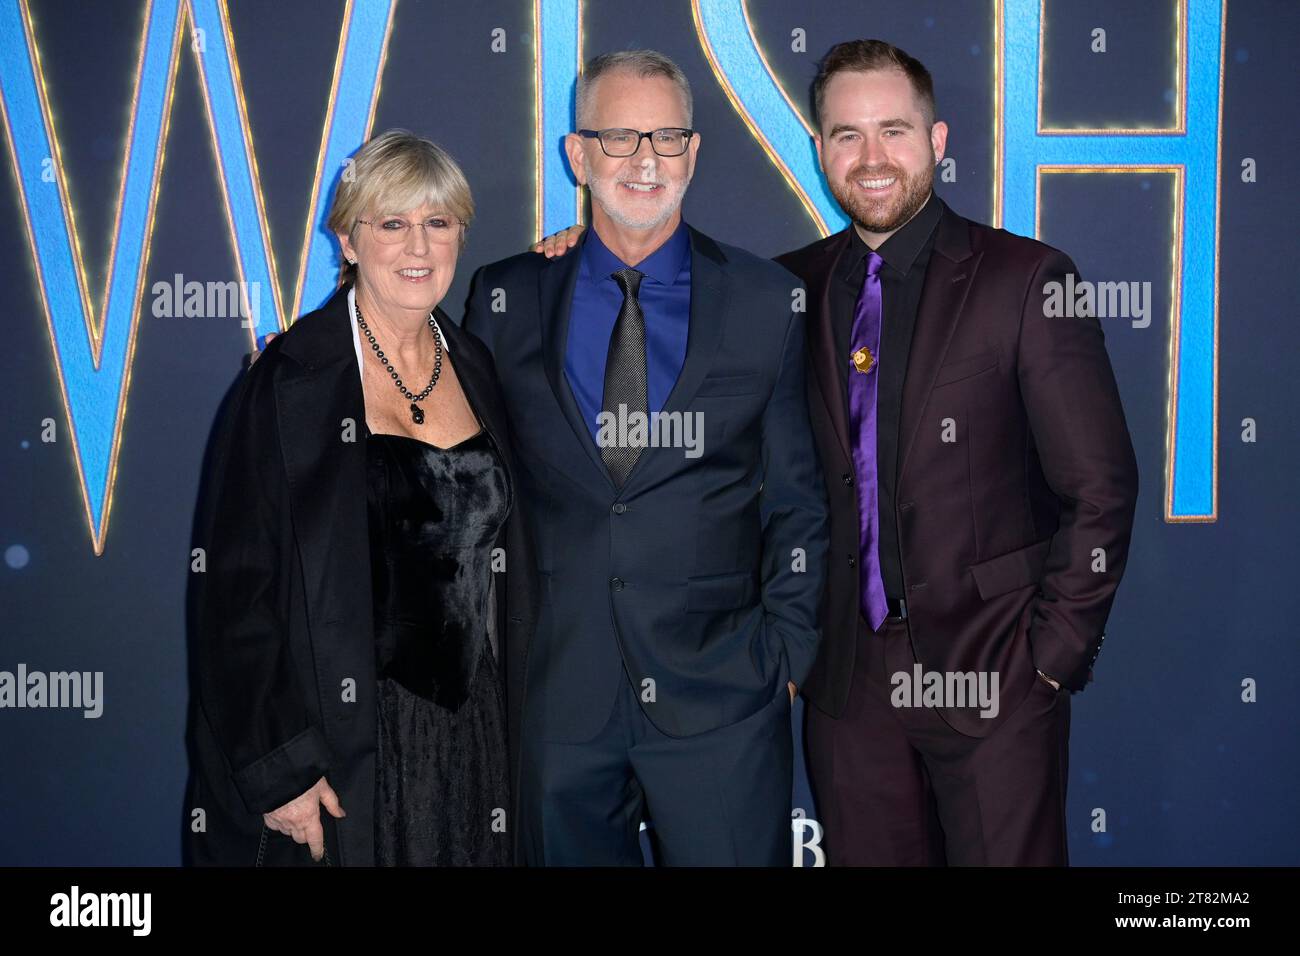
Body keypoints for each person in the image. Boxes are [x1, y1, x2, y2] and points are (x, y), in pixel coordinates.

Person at [535, 40, 1139, 866]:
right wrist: (575, 260)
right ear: (820, 151)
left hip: (995, 676)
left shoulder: (1026, 279)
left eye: (894, 130)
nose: (872, 156)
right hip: (847, 694)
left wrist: (1050, 663)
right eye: (846, 135)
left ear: (938, 140)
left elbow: (1100, 487)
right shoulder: (786, 290)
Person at [463, 50, 828, 865]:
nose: (644, 161)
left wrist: (787, 656)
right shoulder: (505, 297)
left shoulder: (767, 301)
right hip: (556, 697)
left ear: (693, 154)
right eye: (619, 137)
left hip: (724, 700)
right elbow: (463, 482)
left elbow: (796, 497)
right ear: (577, 154)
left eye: (666, 138)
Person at [187, 129, 536, 866]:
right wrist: (279, 768)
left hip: (473, 736)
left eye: (438, 222)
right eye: (392, 223)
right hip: (347, 746)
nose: (418, 245)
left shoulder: (475, 362)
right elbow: (232, 596)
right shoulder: (288, 382)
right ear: (348, 239)